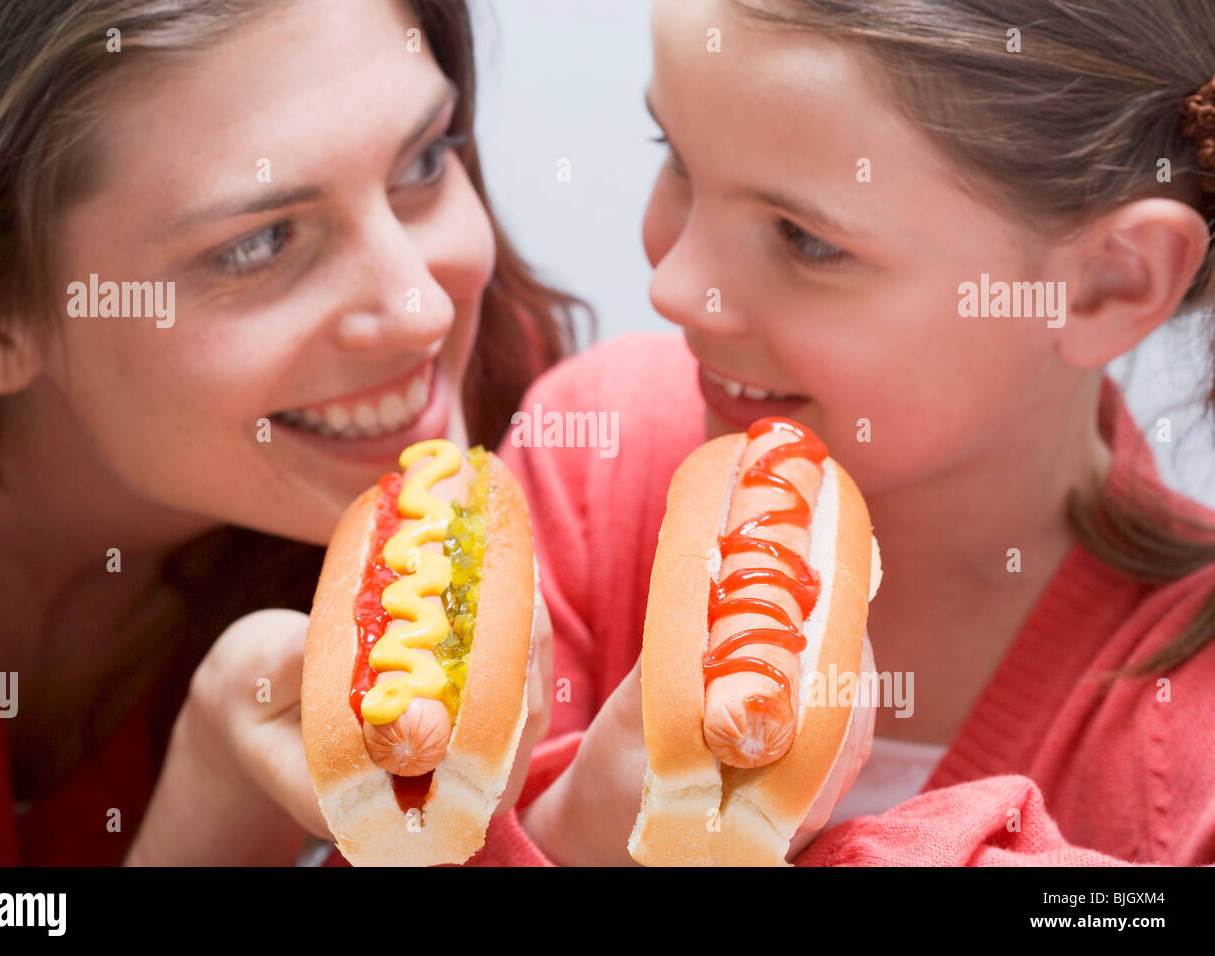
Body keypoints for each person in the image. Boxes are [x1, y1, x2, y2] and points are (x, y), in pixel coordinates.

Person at [498, 0, 1215, 865]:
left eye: (806, 240)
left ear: (1109, 282)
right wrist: (574, 828)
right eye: (676, 159)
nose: (676, 289)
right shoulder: (593, 454)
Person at [0, 0, 583, 865]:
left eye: (422, 161)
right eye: (260, 242)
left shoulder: (505, 403)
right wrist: (219, 796)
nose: (421, 309)